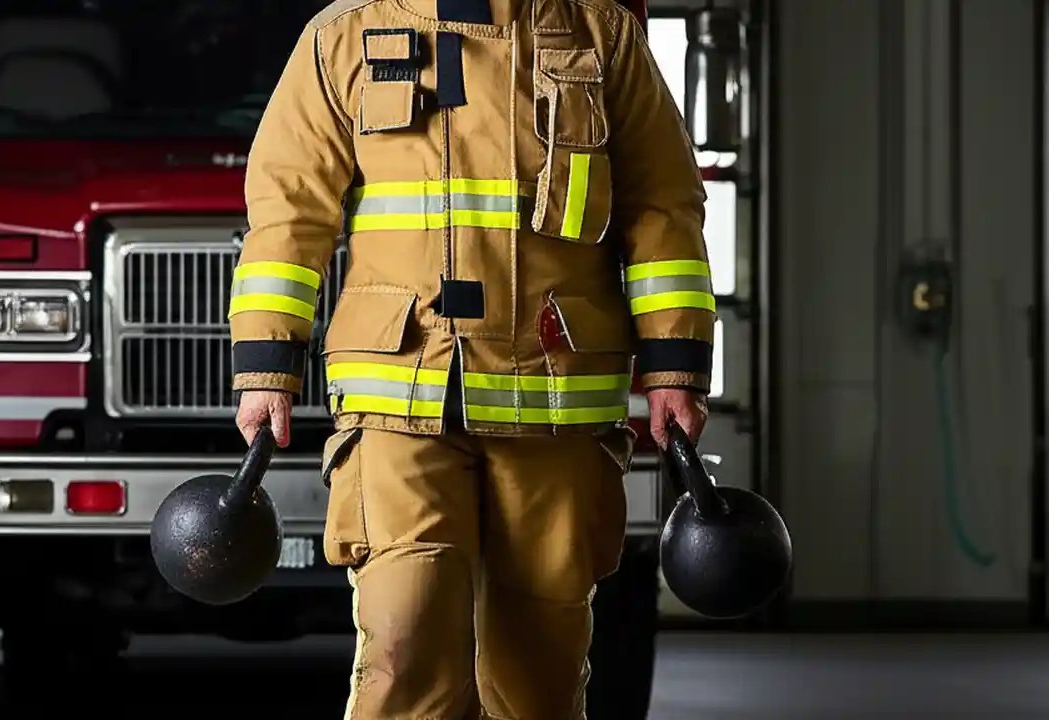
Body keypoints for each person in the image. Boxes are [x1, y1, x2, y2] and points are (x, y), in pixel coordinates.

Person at [227, 0, 713, 716]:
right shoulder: (344, 36)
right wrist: (267, 366)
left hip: (553, 395)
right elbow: (289, 211)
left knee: (539, 674)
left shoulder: (599, 34)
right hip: (399, 391)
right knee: (404, 637)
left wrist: (674, 368)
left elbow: (662, 208)